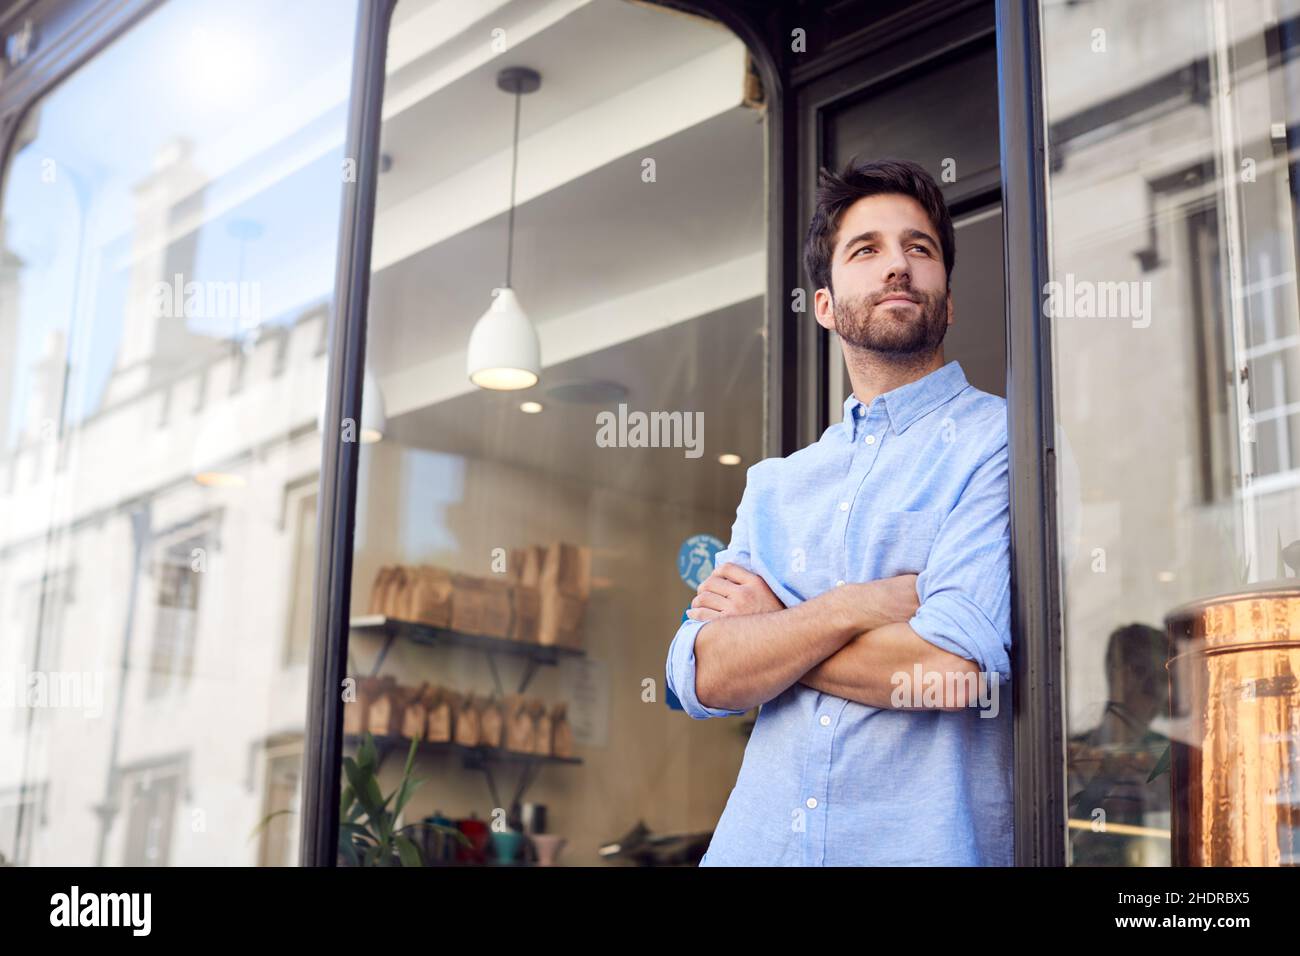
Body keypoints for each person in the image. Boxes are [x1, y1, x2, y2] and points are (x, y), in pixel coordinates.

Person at [665, 157, 1012, 865]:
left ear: (947, 297)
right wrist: (854, 607)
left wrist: (772, 630)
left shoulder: (1001, 440)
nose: (898, 266)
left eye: (920, 248)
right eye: (867, 250)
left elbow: (947, 670)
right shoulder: (776, 484)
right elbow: (700, 674)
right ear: (823, 306)